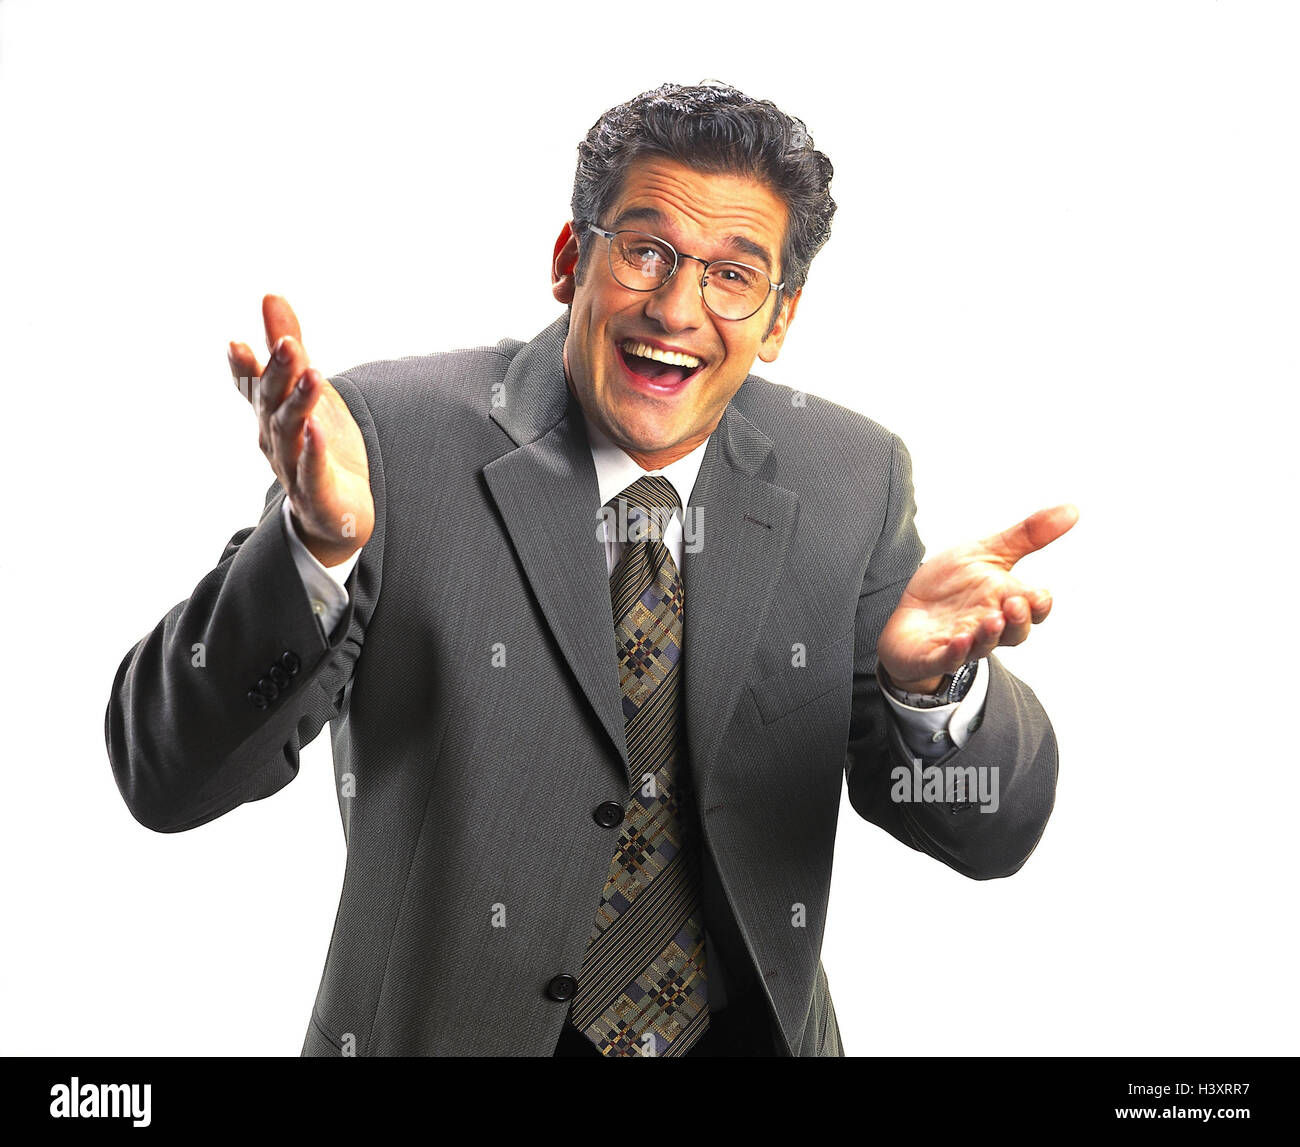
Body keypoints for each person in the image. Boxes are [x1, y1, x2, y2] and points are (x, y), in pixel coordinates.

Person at [105, 81, 1077, 1057]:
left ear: (779, 318)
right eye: (645, 251)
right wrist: (317, 553)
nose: (677, 308)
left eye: (733, 276)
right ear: (572, 259)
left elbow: (991, 831)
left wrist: (932, 686)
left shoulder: (851, 479)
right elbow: (168, 774)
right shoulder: (381, 442)